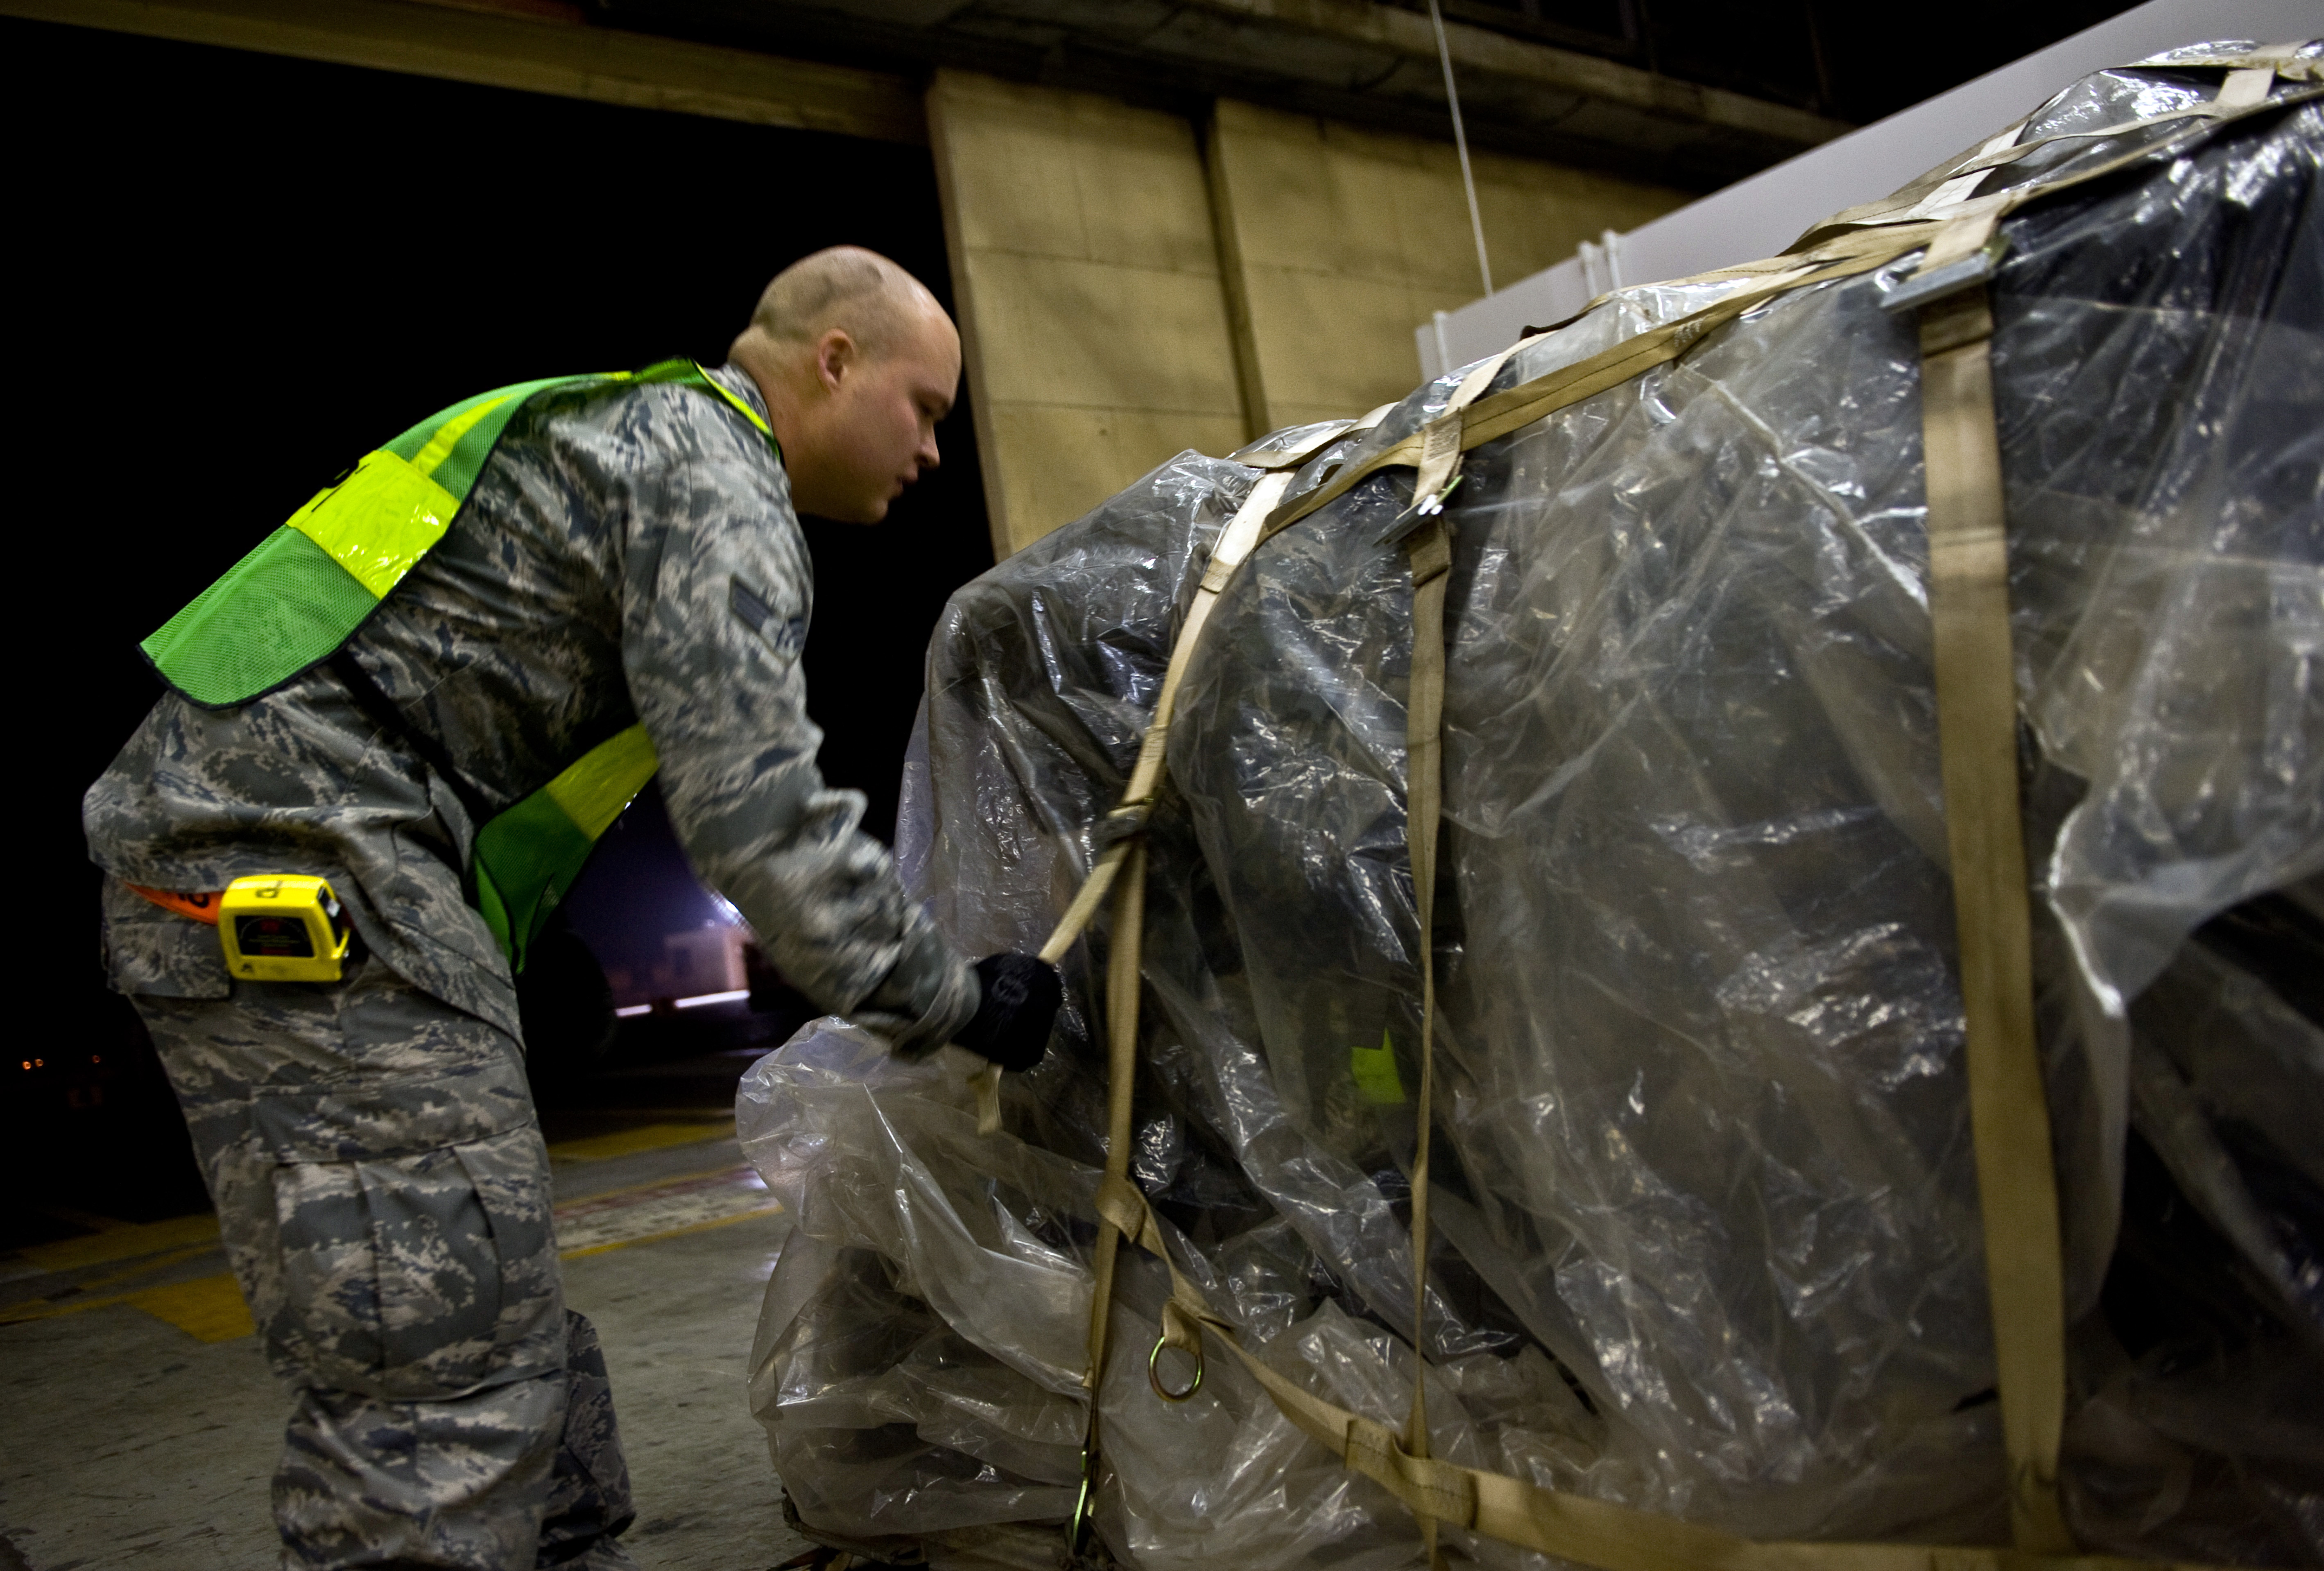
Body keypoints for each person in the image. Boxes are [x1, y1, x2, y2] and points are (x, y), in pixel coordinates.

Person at [83, 246, 1063, 1570]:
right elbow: (760, 821)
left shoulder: (630, 437)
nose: (933, 449)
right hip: (303, 866)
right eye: (926, 406)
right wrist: (954, 999)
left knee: (494, 1320)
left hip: (307, 861)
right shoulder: (713, 477)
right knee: (442, 1393)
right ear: (835, 360)